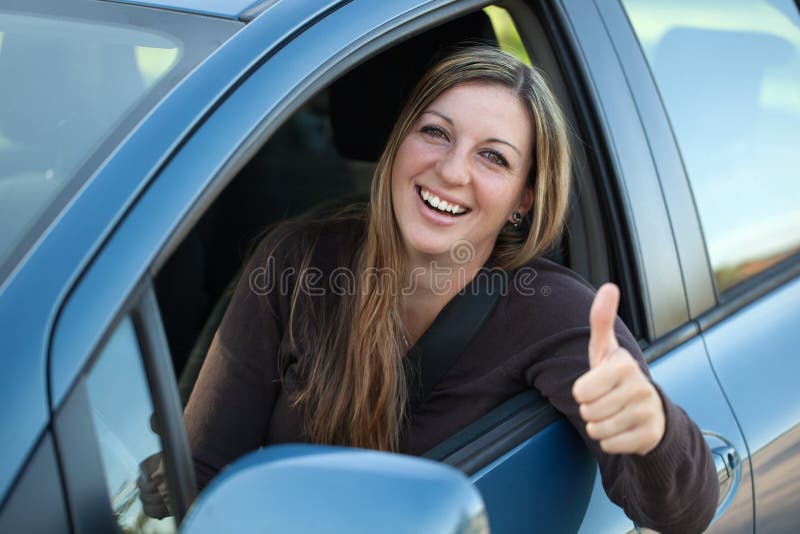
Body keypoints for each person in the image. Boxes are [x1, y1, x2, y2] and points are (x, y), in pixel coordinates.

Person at [180, 46, 719, 532]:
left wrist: (651, 429)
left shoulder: (553, 312)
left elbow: (685, 512)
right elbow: (202, 481)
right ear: (399, 143)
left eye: (494, 157)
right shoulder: (295, 264)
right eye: (436, 132)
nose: (452, 170)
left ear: (522, 200)